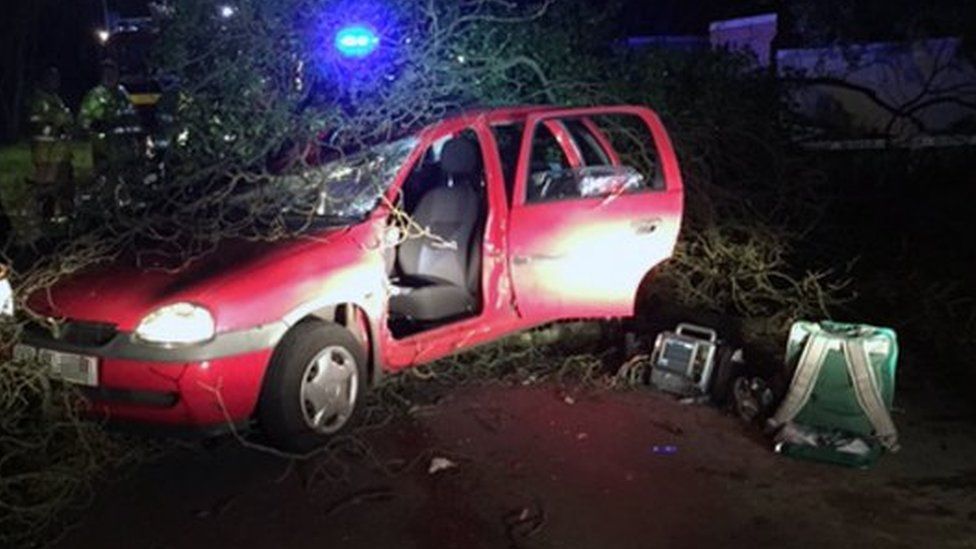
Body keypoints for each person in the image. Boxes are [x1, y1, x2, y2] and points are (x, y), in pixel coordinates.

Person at [79, 59, 141, 188]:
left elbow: (132, 115)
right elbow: (84, 119)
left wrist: (136, 135)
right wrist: (95, 126)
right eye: (106, 73)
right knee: (107, 181)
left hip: (125, 146)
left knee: (129, 182)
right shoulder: (95, 95)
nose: (110, 76)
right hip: (105, 147)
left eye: (113, 73)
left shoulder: (122, 94)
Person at [28, 66, 74, 221]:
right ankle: (44, 216)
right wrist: (54, 124)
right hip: (45, 151)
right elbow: (36, 122)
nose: (55, 82)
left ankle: (66, 214)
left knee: (64, 181)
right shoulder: (39, 100)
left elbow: (67, 119)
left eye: (57, 78)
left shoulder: (56, 99)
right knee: (47, 184)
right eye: (52, 78)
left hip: (60, 150)